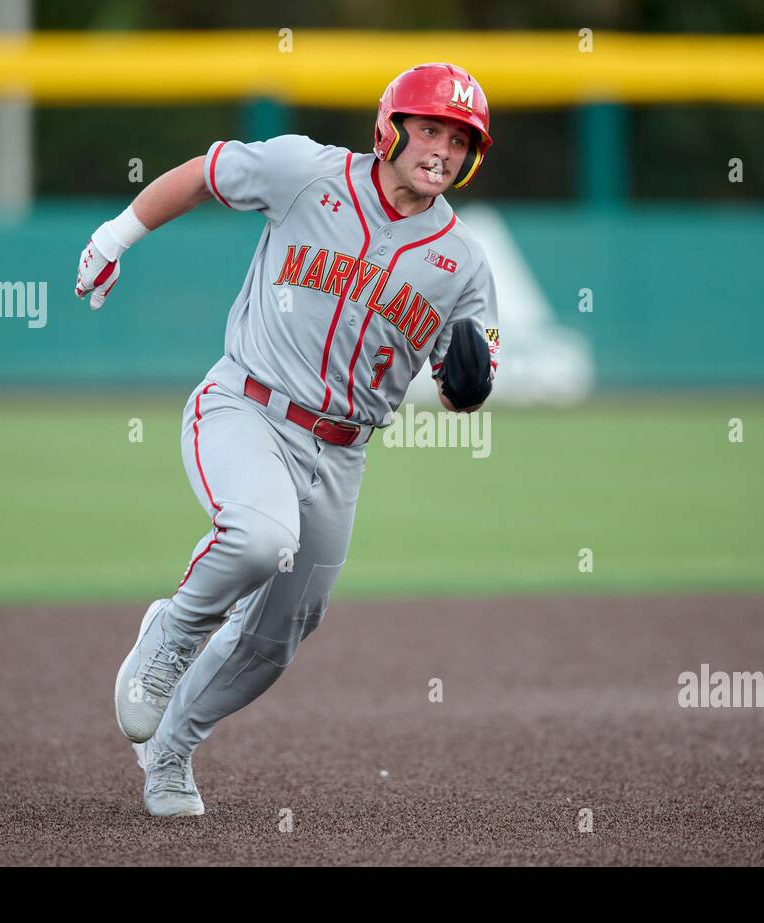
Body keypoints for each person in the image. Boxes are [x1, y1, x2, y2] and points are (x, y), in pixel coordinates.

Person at [74, 62, 499, 816]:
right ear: (390, 128)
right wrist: (116, 236)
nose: (442, 149)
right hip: (247, 405)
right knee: (260, 536)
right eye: (430, 128)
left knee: (279, 638)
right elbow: (207, 173)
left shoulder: (463, 264)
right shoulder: (305, 172)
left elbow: (464, 376)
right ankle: (170, 633)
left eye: (460, 139)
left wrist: (468, 386)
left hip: (342, 453)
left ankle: (169, 751)